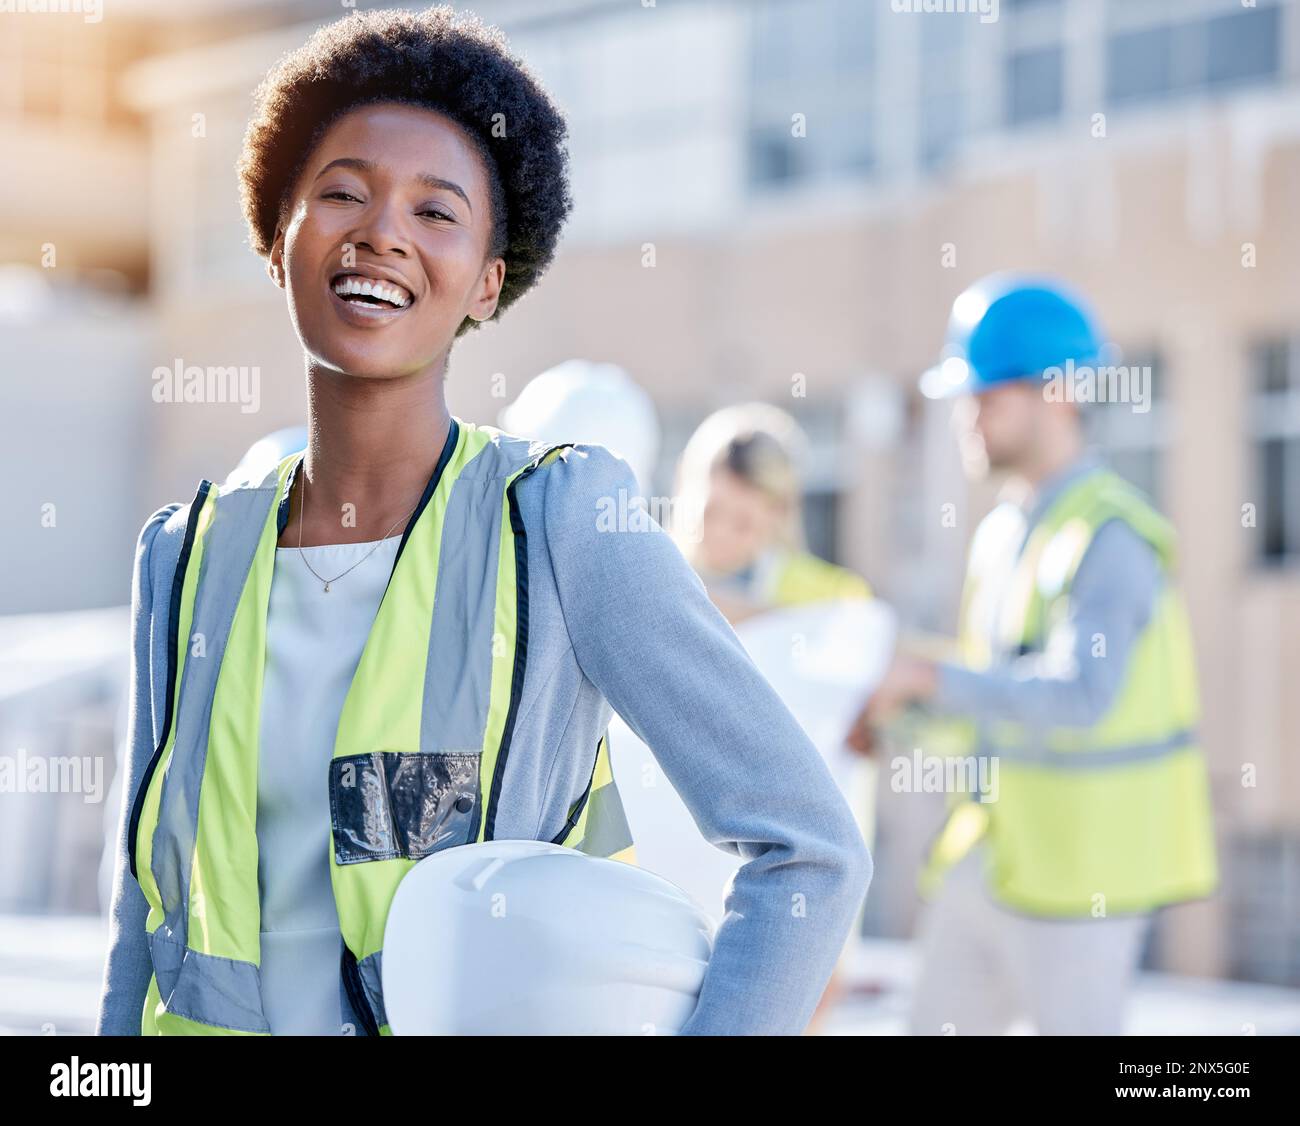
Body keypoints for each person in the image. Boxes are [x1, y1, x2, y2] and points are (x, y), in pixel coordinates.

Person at [95, 6, 870, 1037]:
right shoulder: (182, 553)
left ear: (487, 282)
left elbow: (809, 850)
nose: (381, 232)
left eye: (437, 211)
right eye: (341, 194)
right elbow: (144, 910)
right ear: (277, 236)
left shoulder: (561, 519)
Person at [849, 273, 1217, 1035]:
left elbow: (1079, 698)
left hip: (1086, 881)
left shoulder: (1111, 536)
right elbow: (992, 704)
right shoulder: (1005, 532)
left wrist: (929, 675)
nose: (966, 420)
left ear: (1057, 392)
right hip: (993, 855)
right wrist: (900, 713)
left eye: (984, 398)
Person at [672, 402, 872, 626]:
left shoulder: (834, 595)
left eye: (743, 524)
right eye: (710, 513)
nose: (720, 533)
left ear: (778, 516)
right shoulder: (659, 574)